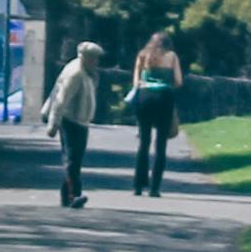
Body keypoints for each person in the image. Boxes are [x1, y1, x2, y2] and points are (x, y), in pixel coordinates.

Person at [122, 32, 187, 199]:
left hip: (144, 96)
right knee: (161, 143)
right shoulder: (171, 56)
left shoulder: (143, 55)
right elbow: (179, 81)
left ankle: (137, 185)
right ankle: (154, 188)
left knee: (144, 141)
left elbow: (136, 81)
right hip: (164, 96)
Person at [44, 36, 107, 209]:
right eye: (94, 58)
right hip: (71, 121)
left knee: (75, 160)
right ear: (85, 58)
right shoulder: (75, 74)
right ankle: (73, 195)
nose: (96, 62)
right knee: (72, 160)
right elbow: (60, 100)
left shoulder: (87, 72)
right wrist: (53, 124)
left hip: (82, 121)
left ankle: (67, 196)